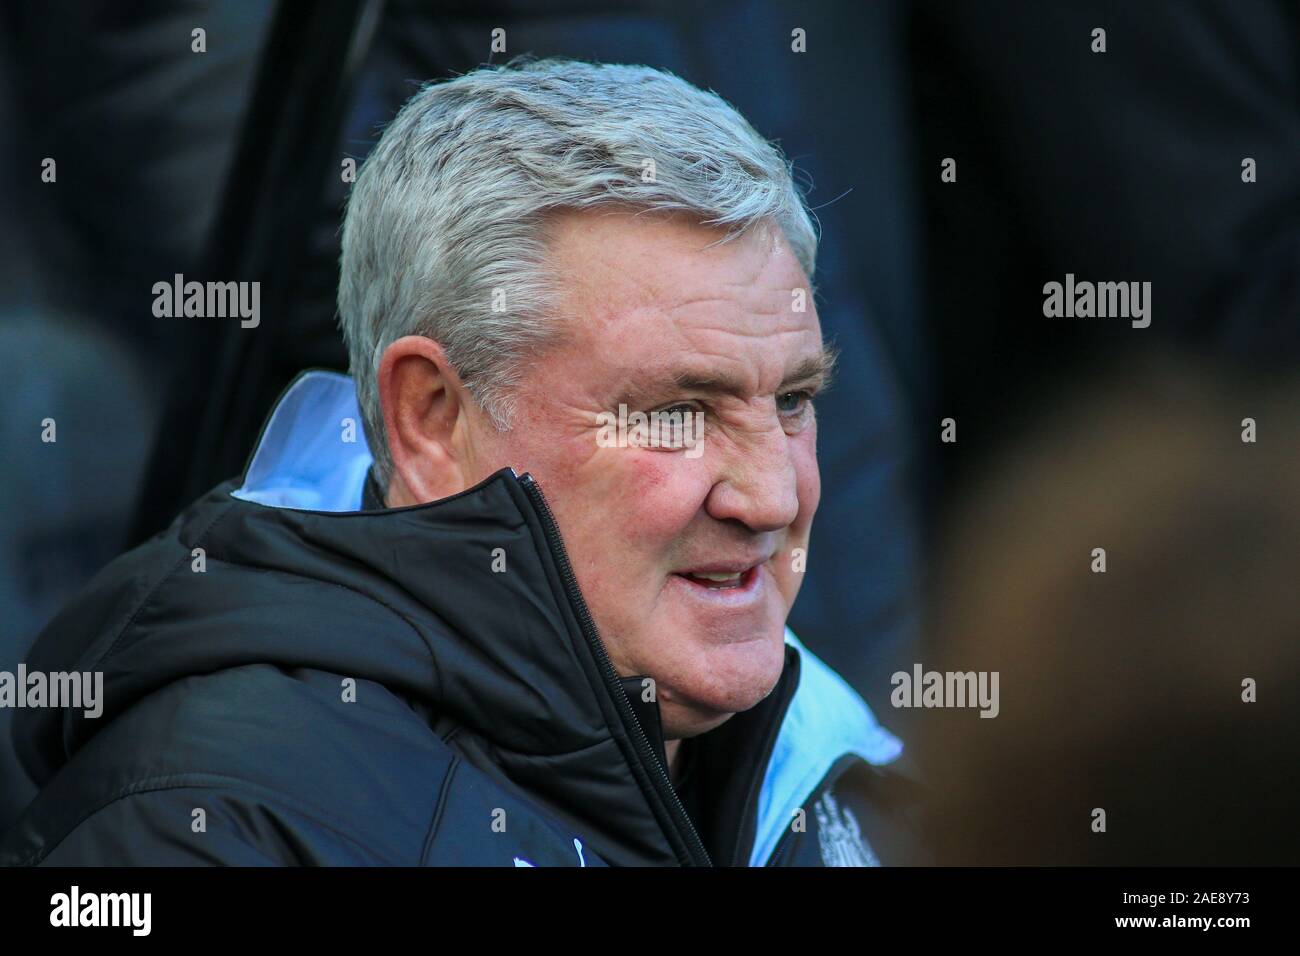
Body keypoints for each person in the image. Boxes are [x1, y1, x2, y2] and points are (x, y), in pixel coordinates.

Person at [2, 58, 922, 866]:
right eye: (679, 413)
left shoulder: (822, 752)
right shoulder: (208, 831)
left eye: (792, 401)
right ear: (432, 419)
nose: (772, 495)